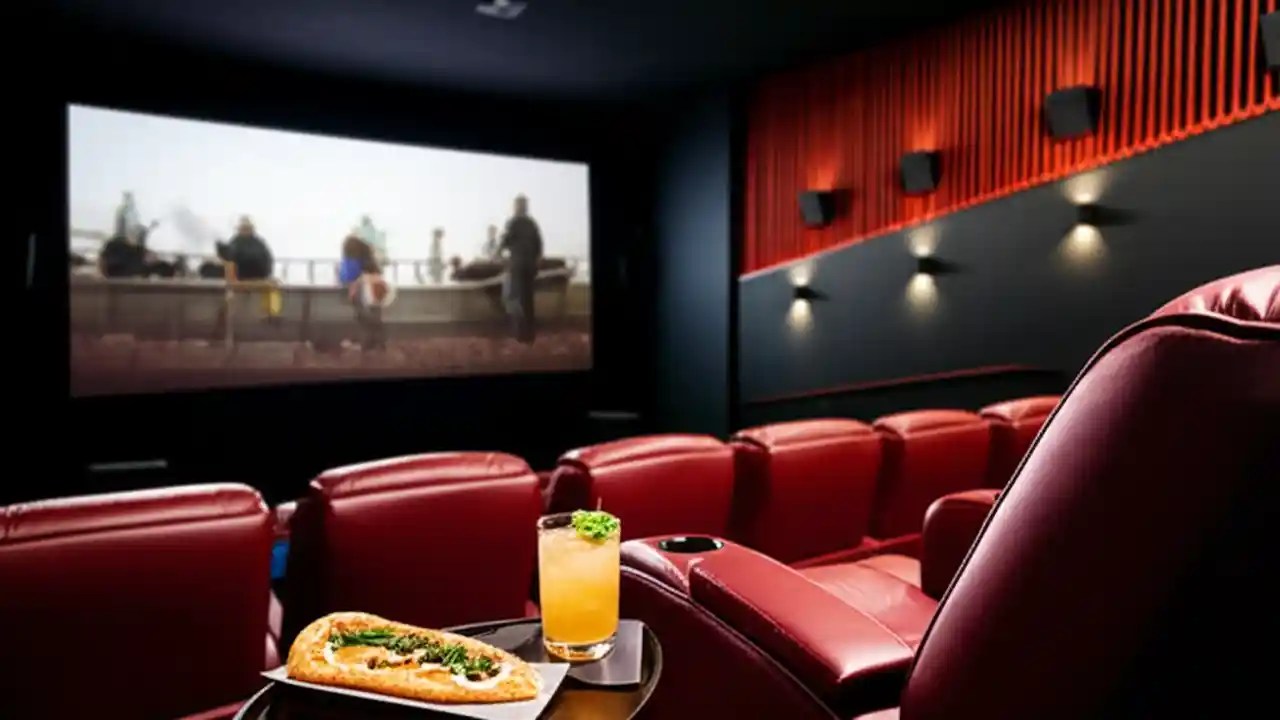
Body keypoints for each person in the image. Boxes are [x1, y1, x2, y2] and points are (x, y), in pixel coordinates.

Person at [499, 194, 543, 343]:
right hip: (530, 267)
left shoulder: (513, 222)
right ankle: (530, 336)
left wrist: (496, 254)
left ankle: (520, 335)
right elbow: (539, 246)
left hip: (517, 265)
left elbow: (505, 241)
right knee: (528, 300)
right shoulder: (532, 223)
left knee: (514, 299)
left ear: (517, 206)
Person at [216, 216, 280, 319]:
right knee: (228, 293)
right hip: (238, 279)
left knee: (274, 285)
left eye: (247, 228)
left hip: (258, 278)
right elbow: (230, 258)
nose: (245, 230)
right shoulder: (235, 242)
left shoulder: (258, 243)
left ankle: (272, 315)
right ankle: (226, 316)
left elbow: (266, 260)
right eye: (243, 228)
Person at [340, 235, 388, 351]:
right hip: (376, 290)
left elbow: (349, 276)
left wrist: (353, 288)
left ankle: (365, 345)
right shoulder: (368, 257)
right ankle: (377, 344)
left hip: (364, 290)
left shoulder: (353, 258)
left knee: (364, 318)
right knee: (373, 317)